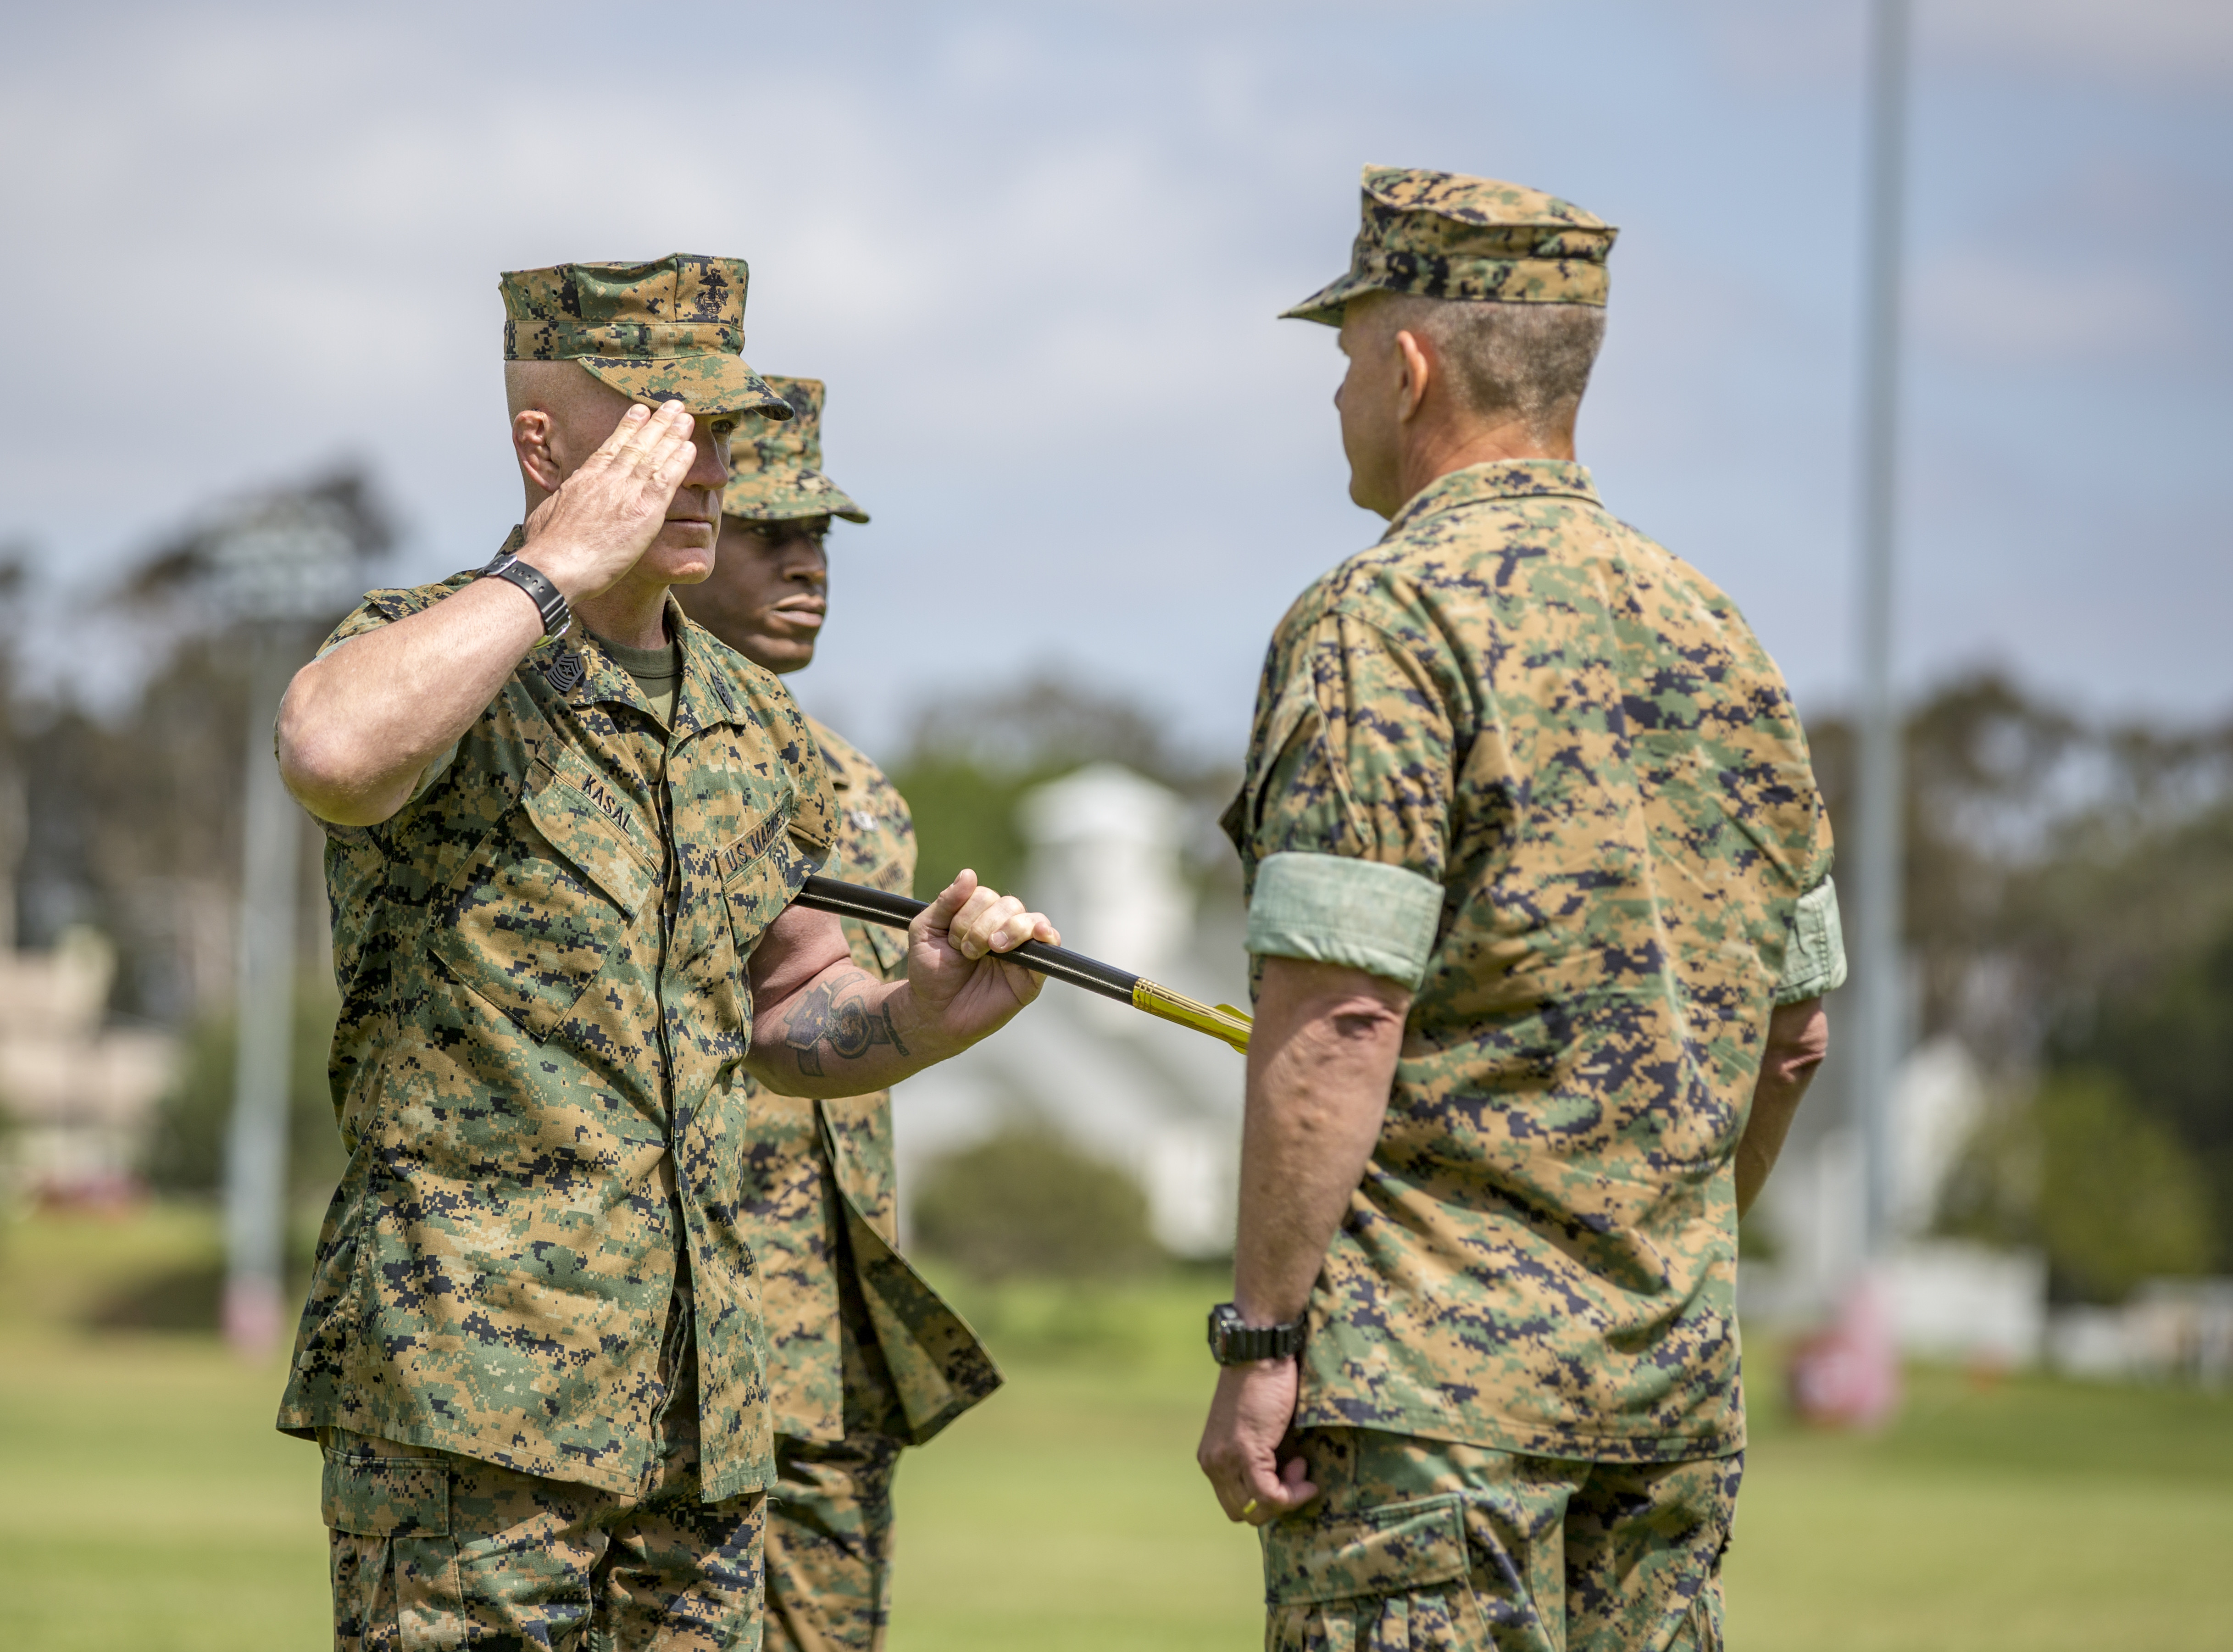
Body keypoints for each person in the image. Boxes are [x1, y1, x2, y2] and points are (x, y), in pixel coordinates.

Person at [273, 255, 1058, 1652]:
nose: (707, 472)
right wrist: (555, 566)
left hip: (704, 1417)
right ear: (543, 444)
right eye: (663, 430)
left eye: (726, 433)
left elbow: (786, 1011)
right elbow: (333, 753)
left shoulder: (755, 728)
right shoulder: (430, 643)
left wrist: (923, 1010)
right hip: (474, 1405)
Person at [1195, 169, 1846, 1651]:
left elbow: (1344, 1011)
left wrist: (1261, 1338)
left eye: (1349, 353)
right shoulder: (1719, 633)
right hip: (1664, 1387)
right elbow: (1793, 1034)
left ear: (1409, 365)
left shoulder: (1383, 617)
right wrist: (1651, 1248)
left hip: (1432, 1405)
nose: (1344, 392)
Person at [675, 376, 998, 1652]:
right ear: (685, 533)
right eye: (772, 532)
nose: (808, 564)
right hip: (667, 1347)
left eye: (822, 536)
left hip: (827, 1354)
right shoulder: (596, 759)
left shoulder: (861, 796)